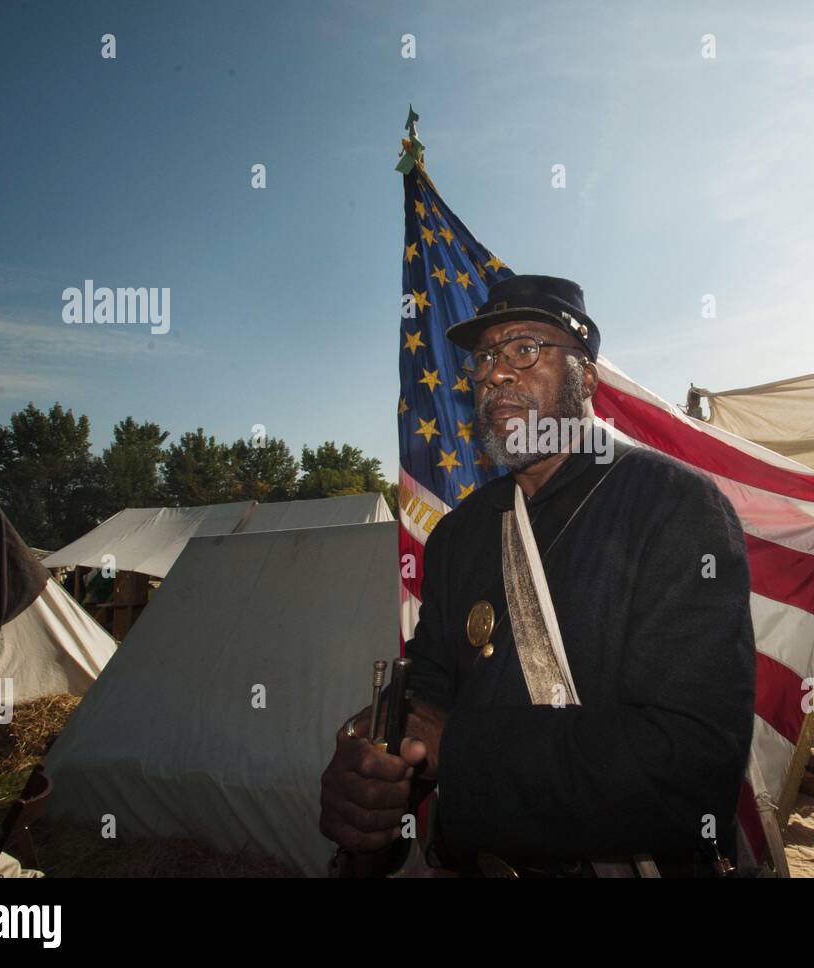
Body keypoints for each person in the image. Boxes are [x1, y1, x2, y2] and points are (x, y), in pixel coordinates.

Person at [319, 274, 756, 876]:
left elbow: (691, 768)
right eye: (484, 358)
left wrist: (462, 753)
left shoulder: (674, 505)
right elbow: (431, 694)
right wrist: (380, 784)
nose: (496, 373)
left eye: (525, 349)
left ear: (587, 376)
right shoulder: (459, 535)